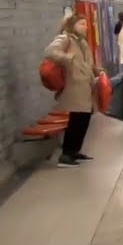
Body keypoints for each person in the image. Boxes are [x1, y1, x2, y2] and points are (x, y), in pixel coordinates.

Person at [44, 14, 102, 167]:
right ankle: (66, 155)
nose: (85, 27)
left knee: (83, 120)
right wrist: (67, 58)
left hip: (86, 86)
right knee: (76, 121)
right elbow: (50, 52)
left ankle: (75, 150)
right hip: (74, 86)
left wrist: (97, 72)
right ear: (72, 25)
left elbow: (87, 62)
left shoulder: (82, 41)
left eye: (85, 24)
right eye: (81, 24)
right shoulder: (65, 38)